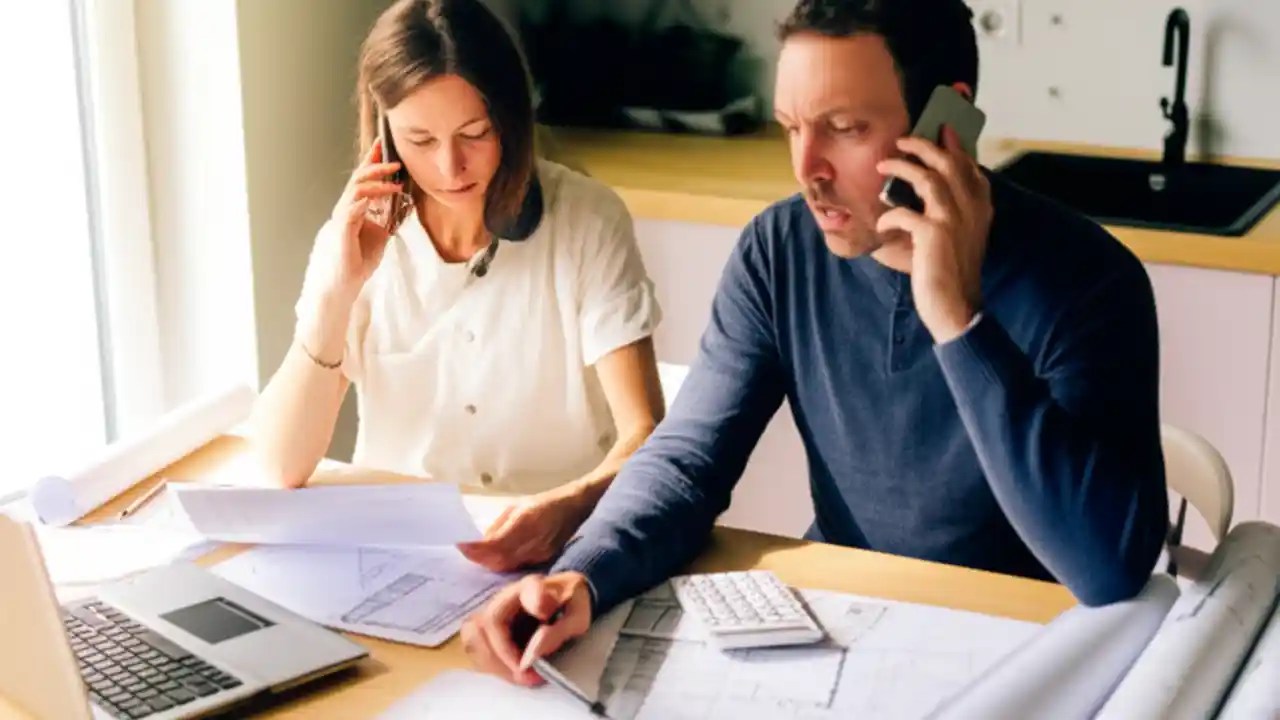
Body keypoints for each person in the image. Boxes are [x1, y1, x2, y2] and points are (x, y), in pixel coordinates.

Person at [461, 0, 1170, 686]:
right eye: (792, 127)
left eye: (844, 128)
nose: (808, 169)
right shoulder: (778, 252)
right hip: (848, 632)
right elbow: (687, 461)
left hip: (1027, 656)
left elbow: (1106, 565)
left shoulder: (1089, 281)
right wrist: (580, 577)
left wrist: (958, 318)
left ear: (947, 124)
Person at [247, 0, 665, 572]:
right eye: (420, 140)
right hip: (399, 557)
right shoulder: (358, 233)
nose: (451, 167)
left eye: (475, 133)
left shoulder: (587, 221)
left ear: (512, 120)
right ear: (385, 131)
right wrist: (335, 292)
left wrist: (568, 507)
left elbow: (645, 433)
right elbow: (280, 466)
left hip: (554, 559)